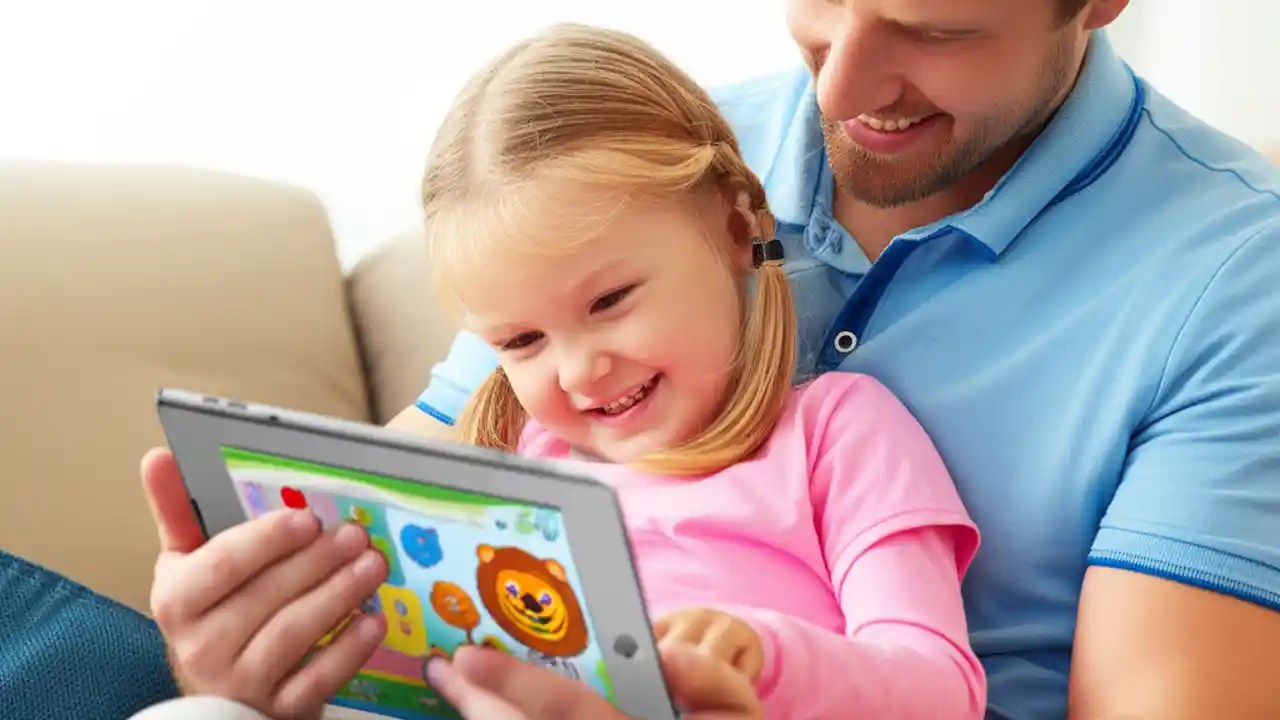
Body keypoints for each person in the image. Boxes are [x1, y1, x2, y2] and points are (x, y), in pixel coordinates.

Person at [139, 0, 1280, 718]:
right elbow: (399, 529)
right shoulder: (634, 166)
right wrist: (256, 632)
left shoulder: (1235, 275)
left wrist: (756, 671)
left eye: (932, 29)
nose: (833, 94)